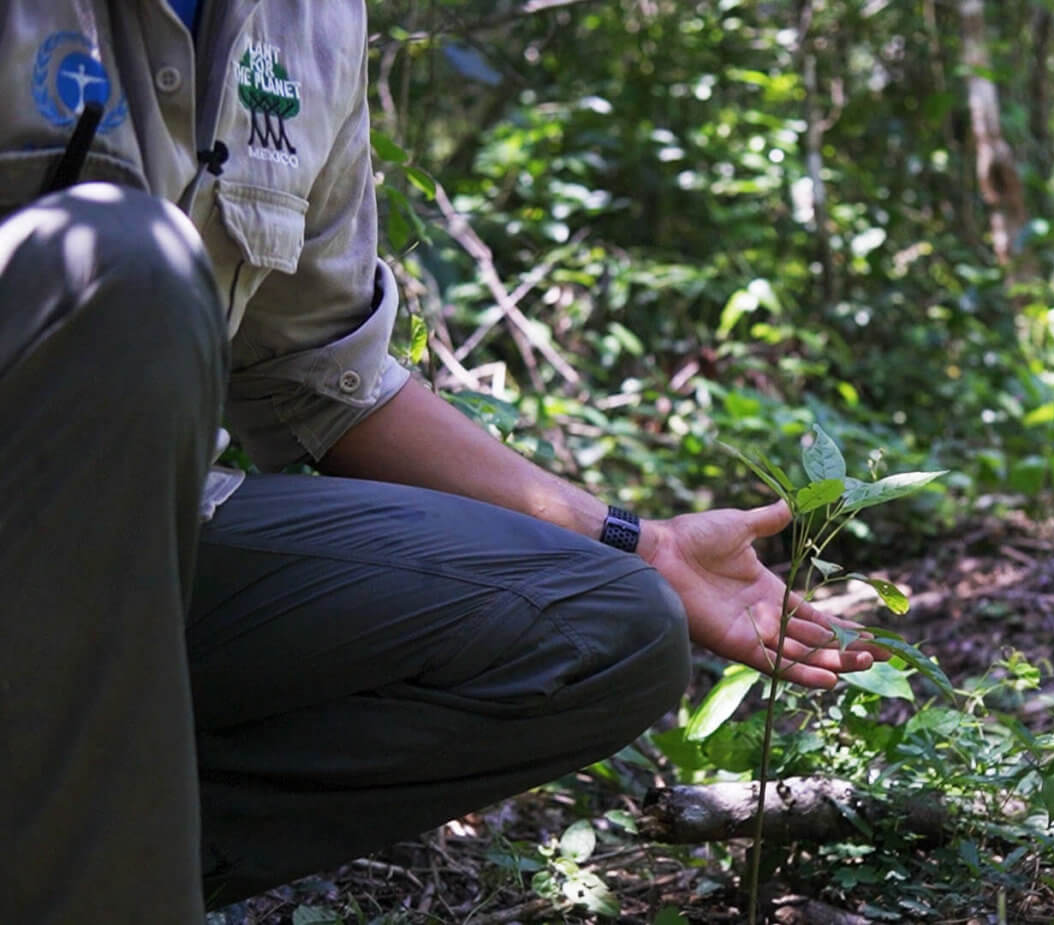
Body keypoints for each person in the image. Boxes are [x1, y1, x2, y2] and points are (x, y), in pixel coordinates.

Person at [0, 3, 881, 921]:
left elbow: (320, 376)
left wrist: (643, 541)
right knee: (120, 261)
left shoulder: (310, 21)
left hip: (157, 543)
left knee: (607, 627)